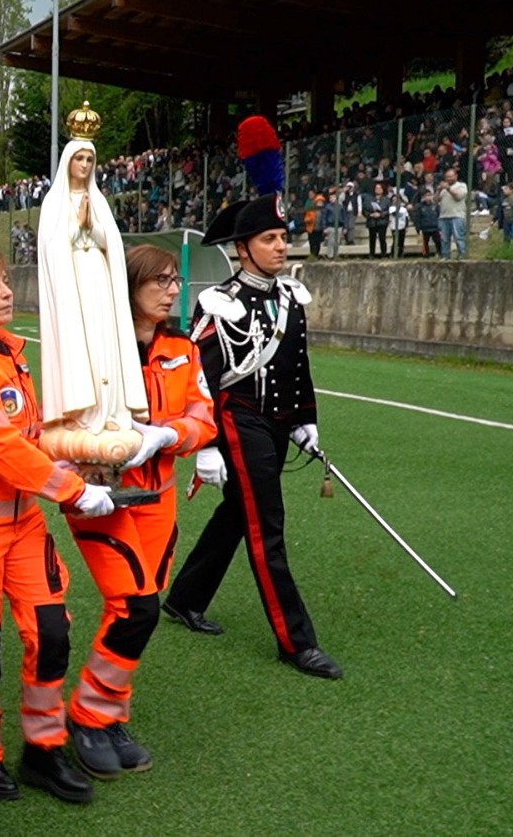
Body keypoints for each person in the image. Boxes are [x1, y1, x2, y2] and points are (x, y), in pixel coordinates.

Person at [0, 247, 116, 805]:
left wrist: (64, 462)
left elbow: (25, 439)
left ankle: (43, 750)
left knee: (53, 636)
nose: (6, 292)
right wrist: (74, 490)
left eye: (7, 281)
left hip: (24, 522)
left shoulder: (11, 353)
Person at [163, 172, 343, 680]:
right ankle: (296, 641)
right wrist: (209, 445)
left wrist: (306, 420)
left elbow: (298, 366)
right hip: (238, 422)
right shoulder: (219, 303)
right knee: (268, 526)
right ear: (243, 248)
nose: (281, 245)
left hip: (279, 422)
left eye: (283, 237)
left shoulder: (291, 297)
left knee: (239, 514)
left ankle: (184, 598)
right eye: (269, 238)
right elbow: (205, 380)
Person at [66, 244, 215, 779]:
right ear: (129, 286)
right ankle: (87, 716)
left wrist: (168, 434)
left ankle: (107, 715)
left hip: (158, 494)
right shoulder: (96, 349)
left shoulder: (182, 345)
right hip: (102, 495)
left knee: (136, 609)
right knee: (136, 607)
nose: (173, 289)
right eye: (160, 281)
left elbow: (204, 415)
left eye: (175, 280)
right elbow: (66, 418)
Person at [36, 103, 148, 465]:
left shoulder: (98, 200)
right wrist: (77, 226)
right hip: (73, 285)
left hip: (99, 279)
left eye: (89, 160)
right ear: (67, 161)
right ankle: (83, 411)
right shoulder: (54, 202)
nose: (84, 166)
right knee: (78, 341)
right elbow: (53, 248)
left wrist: (92, 225)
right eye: (79, 159)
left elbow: (111, 243)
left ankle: (111, 410)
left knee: (105, 342)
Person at [438, 168, 469, 259]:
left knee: (459, 237)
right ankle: (445, 255)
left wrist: (448, 188)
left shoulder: (461, 185)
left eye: (451, 176)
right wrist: (439, 190)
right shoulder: (443, 188)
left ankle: (462, 254)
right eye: (447, 177)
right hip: (444, 216)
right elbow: (436, 200)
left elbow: (458, 196)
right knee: (444, 239)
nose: (449, 178)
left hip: (457, 215)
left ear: (456, 176)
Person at [361, 181, 391, 258]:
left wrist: (381, 214)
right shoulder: (369, 199)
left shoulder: (386, 199)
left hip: (382, 221)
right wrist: (370, 215)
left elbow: (389, 210)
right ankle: (372, 254)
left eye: (379, 188)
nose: (378, 190)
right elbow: (365, 210)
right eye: (376, 188)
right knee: (372, 239)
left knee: (382, 238)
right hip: (372, 221)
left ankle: (383, 254)